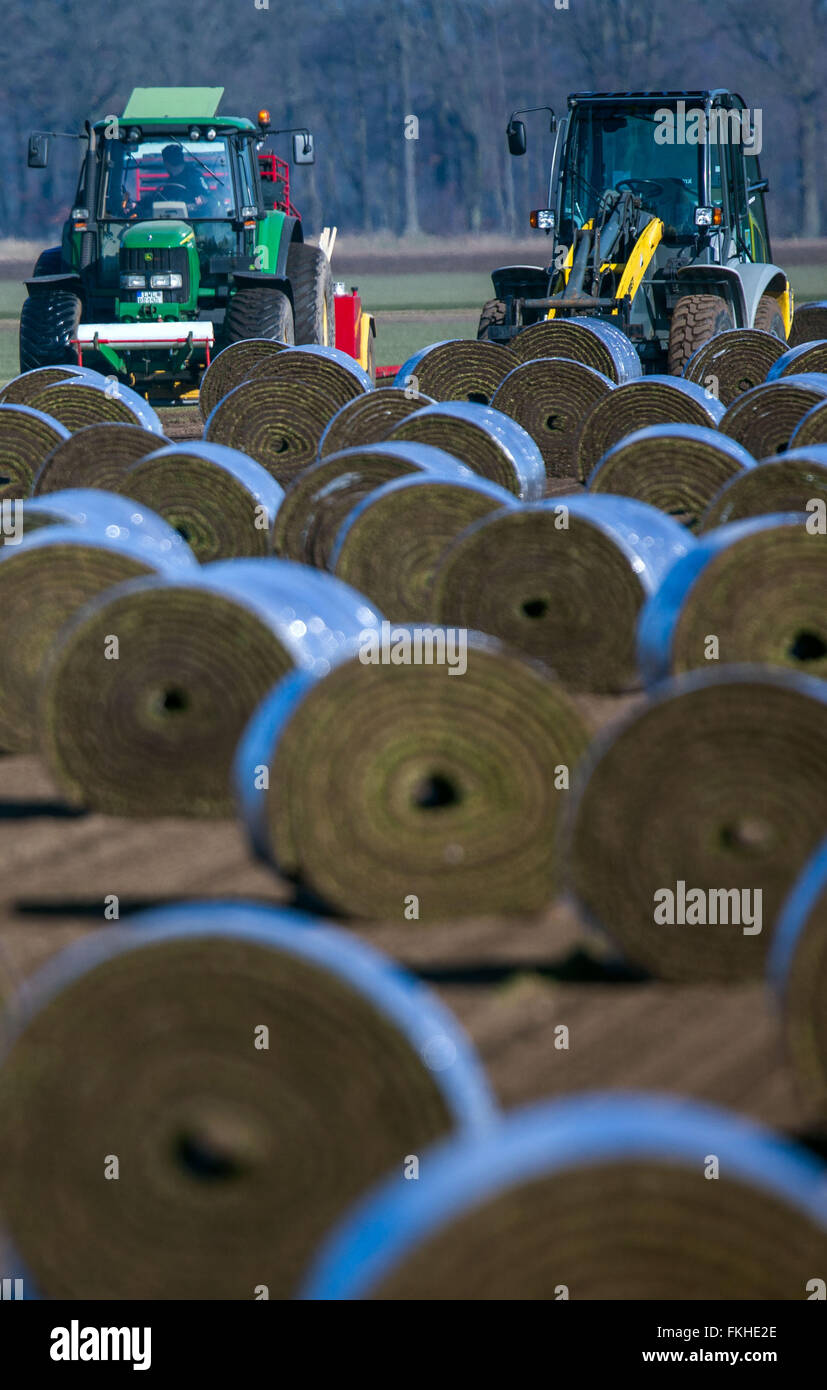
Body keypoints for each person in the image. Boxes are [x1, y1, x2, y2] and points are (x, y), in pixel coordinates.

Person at [160, 144, 208, 210]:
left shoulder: (195, 176)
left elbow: (207, 197)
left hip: (195, 217)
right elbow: (163, 199)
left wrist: (199, 201)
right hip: (173, 217)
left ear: (166, 163)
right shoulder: (170, 182)